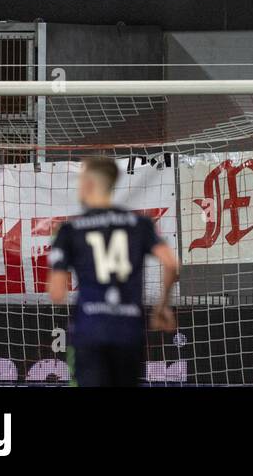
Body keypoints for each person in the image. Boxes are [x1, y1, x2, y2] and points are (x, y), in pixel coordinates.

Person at [46, 156, 179, 388]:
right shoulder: (140, 224)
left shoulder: (69, 230)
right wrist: (162, 305)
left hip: (90, 330)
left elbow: (56, 293)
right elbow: (171, 264)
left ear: (88, 184)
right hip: (129, 330)